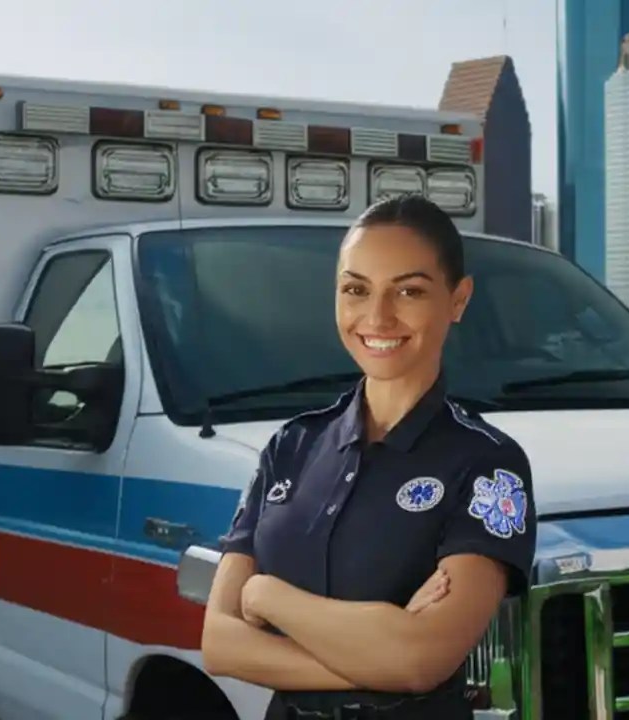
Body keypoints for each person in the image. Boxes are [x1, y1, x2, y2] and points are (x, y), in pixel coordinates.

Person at [200, 195, 538, 719]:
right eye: (356, 289)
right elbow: (220, 643)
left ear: (458, 299)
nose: (377, 316)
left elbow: (422, 660)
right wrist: (382, 652)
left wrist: (266, 596)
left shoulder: (488, 465)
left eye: (409, 290)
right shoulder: (291, 447)